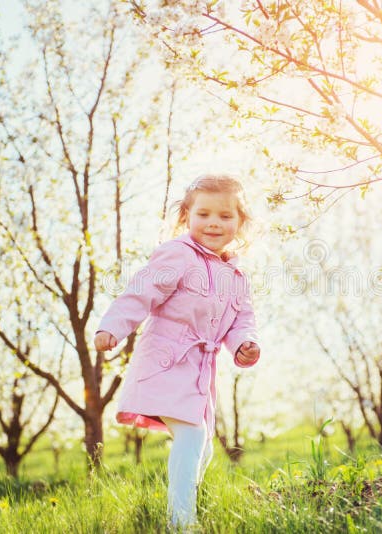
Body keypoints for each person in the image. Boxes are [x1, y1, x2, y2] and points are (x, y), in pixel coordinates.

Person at [94, 174, 260, 530]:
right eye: (204, 214)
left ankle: (186, 507)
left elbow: (242, 319)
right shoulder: (178, 254)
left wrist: (245, 344)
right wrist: (113, 326)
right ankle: (181, 522)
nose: (214, 222)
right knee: (192, 436)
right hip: (167, 362)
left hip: (201, 372)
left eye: (225, 215)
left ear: (240, 222)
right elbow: (141, 292)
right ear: (186, 216)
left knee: (203, 447)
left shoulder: (235, 273)